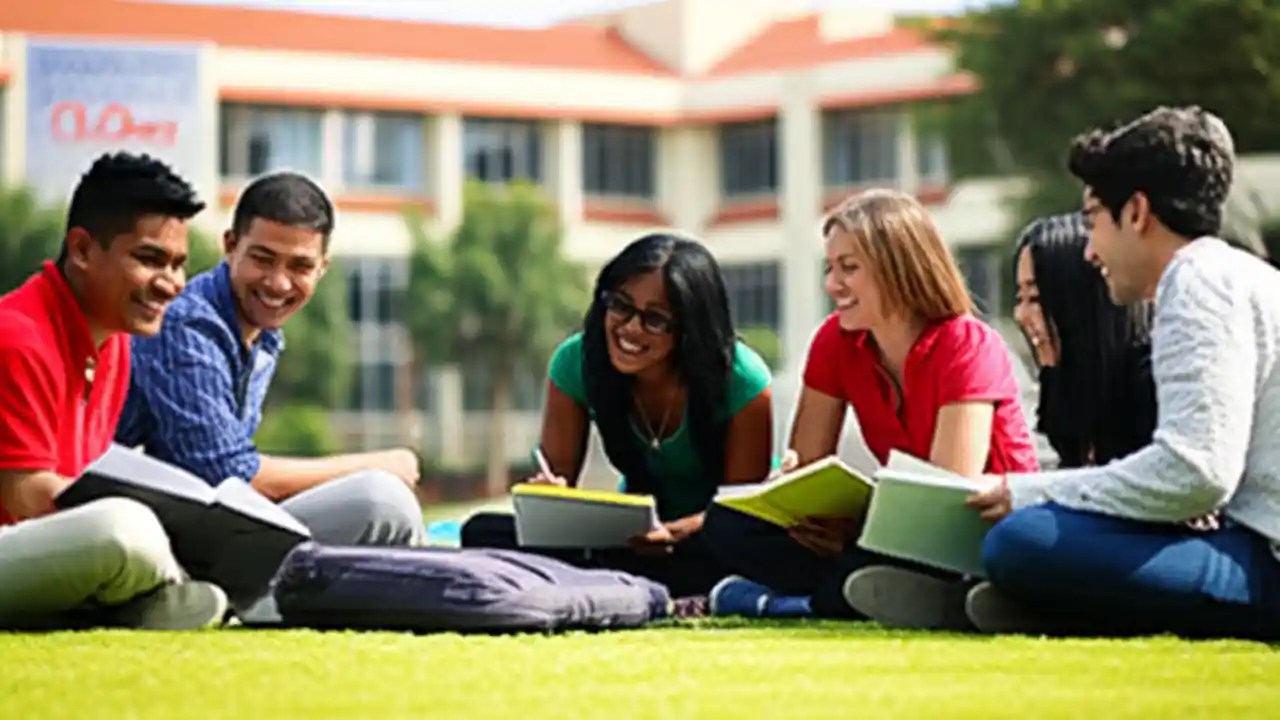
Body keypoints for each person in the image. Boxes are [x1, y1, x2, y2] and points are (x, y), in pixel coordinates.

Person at [964, 106, 1280, 639]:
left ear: (1136, 212)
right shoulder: (1241, 274)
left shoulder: (1197, 282)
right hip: (1250, 541)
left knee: (1021, 539)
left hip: (1266, 561)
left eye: (1093, 222)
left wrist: (1032, 492)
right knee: (1039, 531)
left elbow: (1196, 473)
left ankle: (1066, 609)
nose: (1089, 251)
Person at [704, 189, 1038, 621]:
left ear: (899, 268)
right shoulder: (836, 340)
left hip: (976, 529)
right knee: (726, 525)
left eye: (849, 268)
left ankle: (804, 602)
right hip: (888, 533)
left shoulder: (968, 344)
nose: (832, 284)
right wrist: (800, 504)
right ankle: (870, 595)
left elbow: (947, 495)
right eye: (830, 268)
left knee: (857, 573)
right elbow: (807, 465)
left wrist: (858, 527)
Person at [116, 171, 425, 621]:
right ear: (230, 246)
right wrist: (374, 464)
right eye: (263, 259)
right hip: (155, 536)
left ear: (322, 268)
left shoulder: (263, 336)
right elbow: (227, 475)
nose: (279, 283)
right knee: (379, 496)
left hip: (212, 529)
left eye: (299, 267)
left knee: (383, 520)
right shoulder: (187, 325)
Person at [460, 233, 774, 597]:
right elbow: (558, 478)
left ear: (691, 328)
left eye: (655, 319)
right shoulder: (577, 361)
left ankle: (605, 580)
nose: (630, 328)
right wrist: (549, 498)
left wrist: (673, 533)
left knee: (742, 547)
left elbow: (738, 513)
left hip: (704, 538)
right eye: (621, 305)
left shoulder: (742, 380)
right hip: (631, 541)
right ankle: (617, 578)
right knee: (482, 530)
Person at [0, 152, 226, 630]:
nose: (171, 284)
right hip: (21, 542)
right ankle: (159, 591)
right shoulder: (17, 336)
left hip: (47, 553)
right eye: (149, 259)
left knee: (138, 529)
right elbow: (26, 497)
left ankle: (138, 599)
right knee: (121, 527)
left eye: (178, 265)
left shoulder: (116, 345)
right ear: (82, 250)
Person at [1012, 213, 1156, 468]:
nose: (1021, 315)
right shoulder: (1065, 389)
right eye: (1019, 298)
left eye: (1034, 299)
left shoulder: (1152, 388)